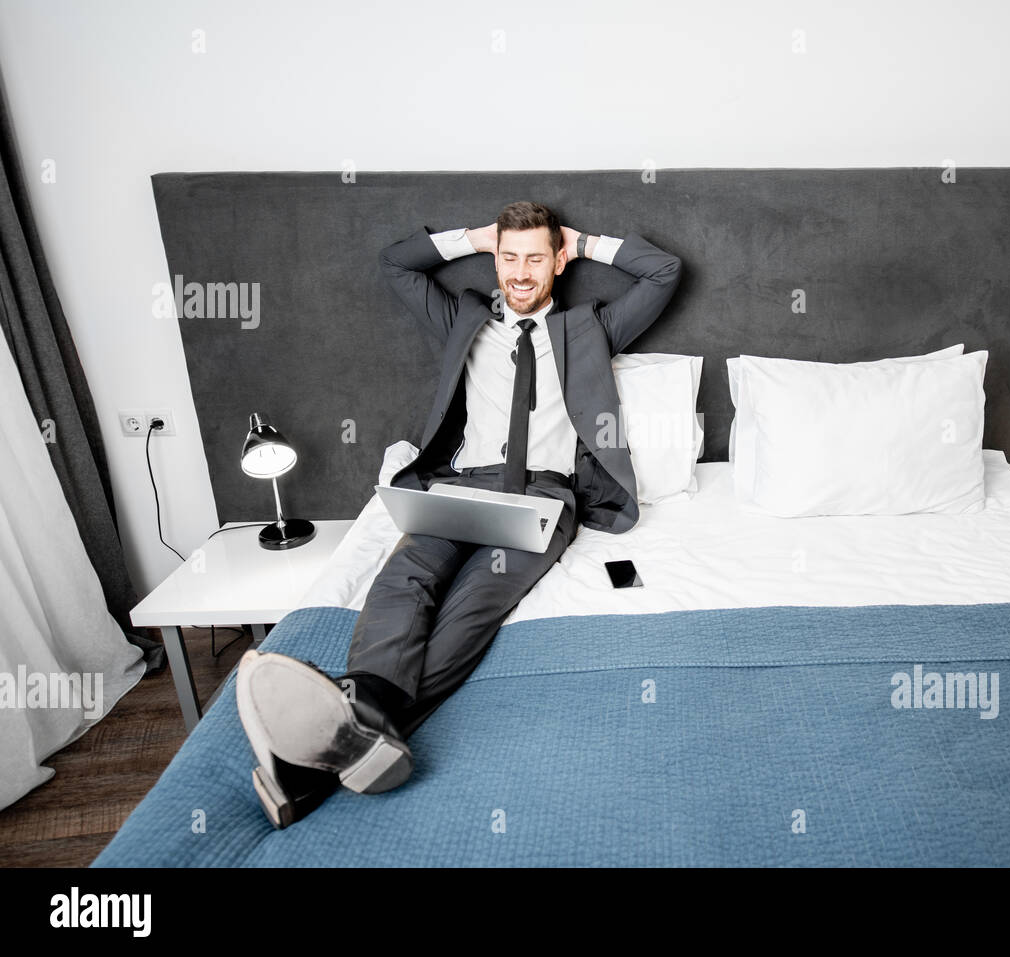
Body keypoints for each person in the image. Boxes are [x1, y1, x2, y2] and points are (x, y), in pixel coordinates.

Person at [234, 201, 682, 827]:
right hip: (456, 487)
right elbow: (396, 263)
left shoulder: (588, 328)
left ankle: (327, 749)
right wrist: (473, 238)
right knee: (403, 579)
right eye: (508, 258)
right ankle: (363, 728)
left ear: (555, 262)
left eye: (535, 258)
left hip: (543, 497)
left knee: (475, 602)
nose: (520, 273)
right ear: (494, 259)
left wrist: (583, 244)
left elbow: (663, 272)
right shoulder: (463, 320)